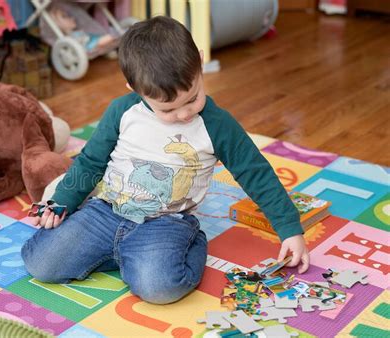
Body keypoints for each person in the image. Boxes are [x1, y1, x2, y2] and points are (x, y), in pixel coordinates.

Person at [22, 16, 310, 305]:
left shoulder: (218, 125)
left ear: (198, 61)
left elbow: (256, 174)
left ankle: (188, 242)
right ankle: (126, 255)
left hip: (166, 222)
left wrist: (289, 229)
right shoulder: (122, 112)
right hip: (107, 211)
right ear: (134, 88)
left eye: (192, 98)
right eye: (168, 109)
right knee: (40, 263)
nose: (184, 115)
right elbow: (90, 162)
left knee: (160, 288)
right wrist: (62, 201)